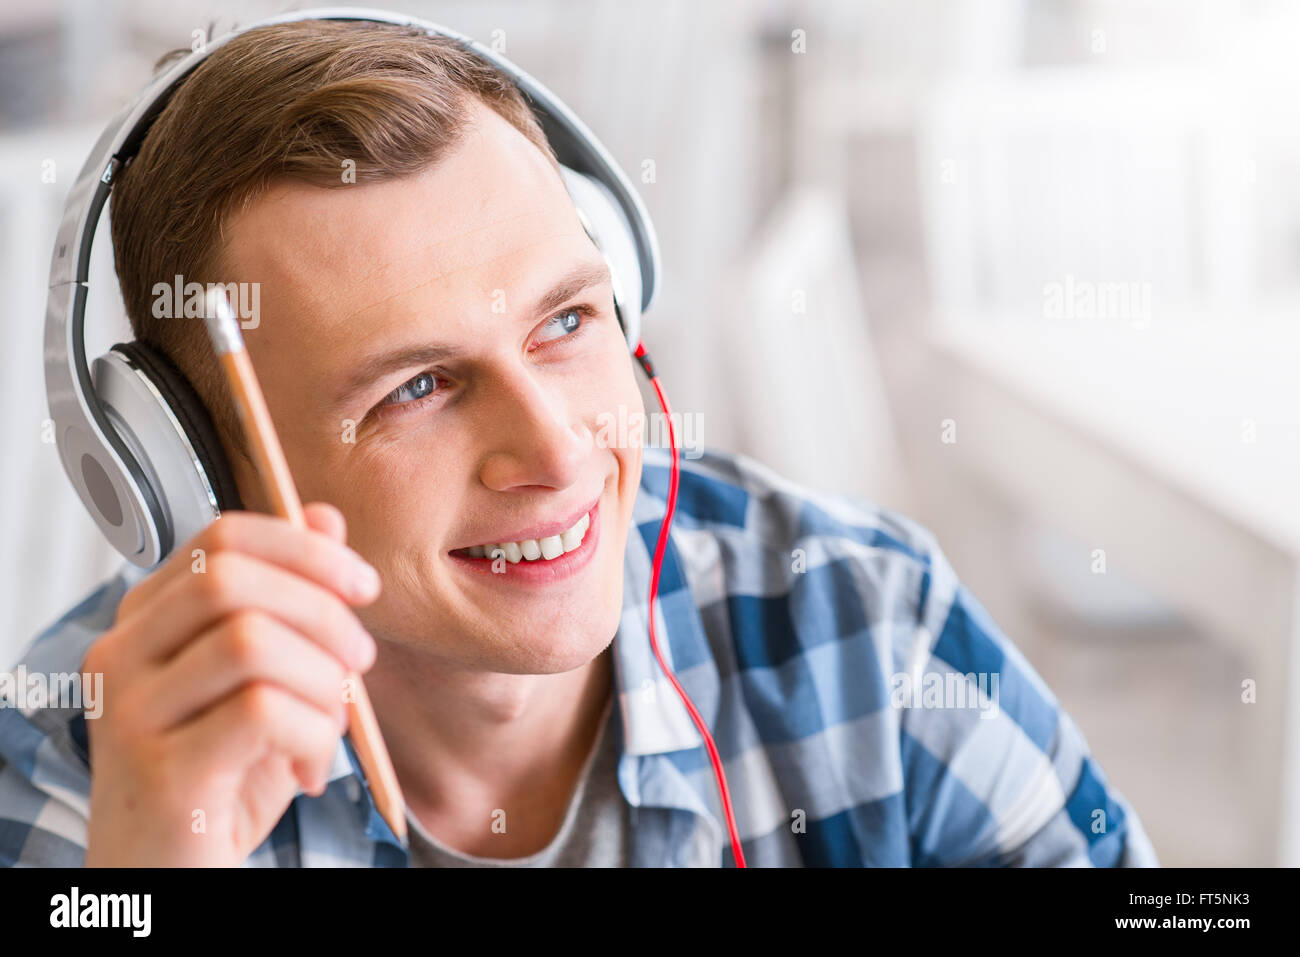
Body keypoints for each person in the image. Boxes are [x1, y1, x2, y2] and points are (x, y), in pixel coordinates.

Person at [0, 18, 1157, 867]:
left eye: (564, 320)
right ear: (193, 475)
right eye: (417, 388)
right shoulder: (81, 769)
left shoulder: (862, 620)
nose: (556, 453)